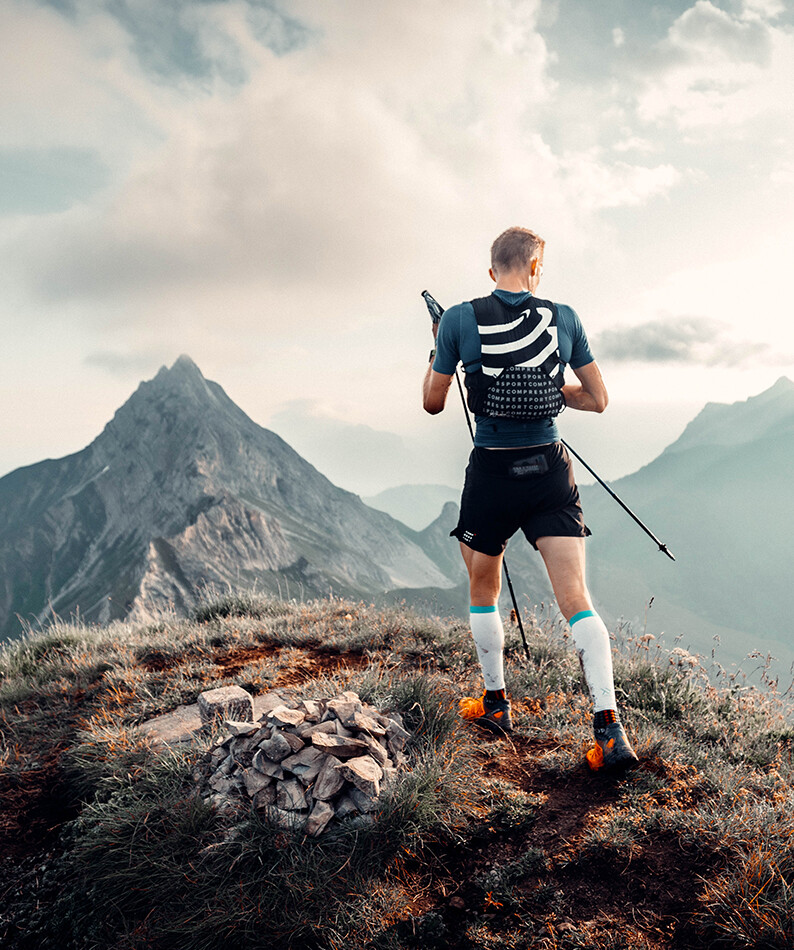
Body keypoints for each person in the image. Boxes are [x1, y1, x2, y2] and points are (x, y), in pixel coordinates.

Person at [422, 226, 638, 770]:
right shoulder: (565, 318)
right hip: (550, 471)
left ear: (492, 271)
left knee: (482, 584)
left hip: (493, 473)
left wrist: (441, 351)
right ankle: (610, 731)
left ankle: (496, 703)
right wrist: (545, 386)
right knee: (576, 597)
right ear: (536, 269)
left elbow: (432, 401)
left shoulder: (458, 320)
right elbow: (597, 399)